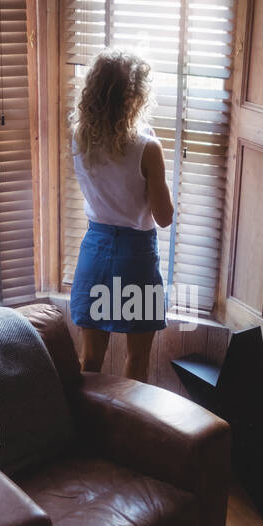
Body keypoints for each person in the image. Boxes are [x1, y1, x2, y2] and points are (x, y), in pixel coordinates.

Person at [69, 49, 174, 382]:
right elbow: (164, 216)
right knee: (136, 364)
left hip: (95, 251)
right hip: (135, 257)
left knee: (89, 362)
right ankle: (129, 433)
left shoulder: (80, 139)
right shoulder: (147, 147)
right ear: (135, 97)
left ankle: (90, 432)